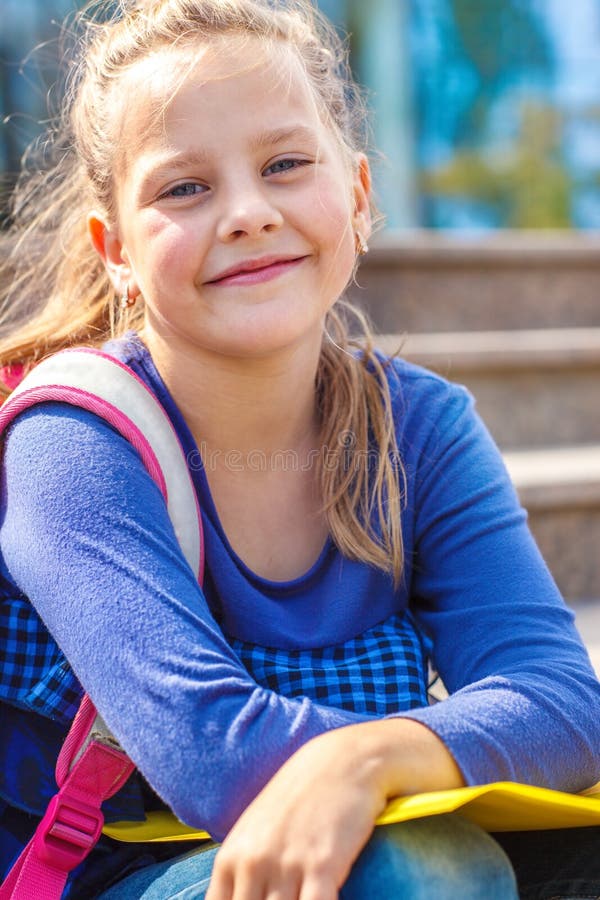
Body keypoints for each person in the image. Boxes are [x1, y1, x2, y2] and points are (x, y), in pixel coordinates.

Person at [0, 1, 598, 897]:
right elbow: (217, 758)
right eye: (183, 189)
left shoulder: (420, 427)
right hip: (117, 871)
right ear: (115, 249)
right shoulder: (73, 440)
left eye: (285, 165)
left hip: (356, 817)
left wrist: (377, 757)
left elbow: (560, 696)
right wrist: (414, 754)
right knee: (422, 871)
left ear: (357, 197)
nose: (247, 213)